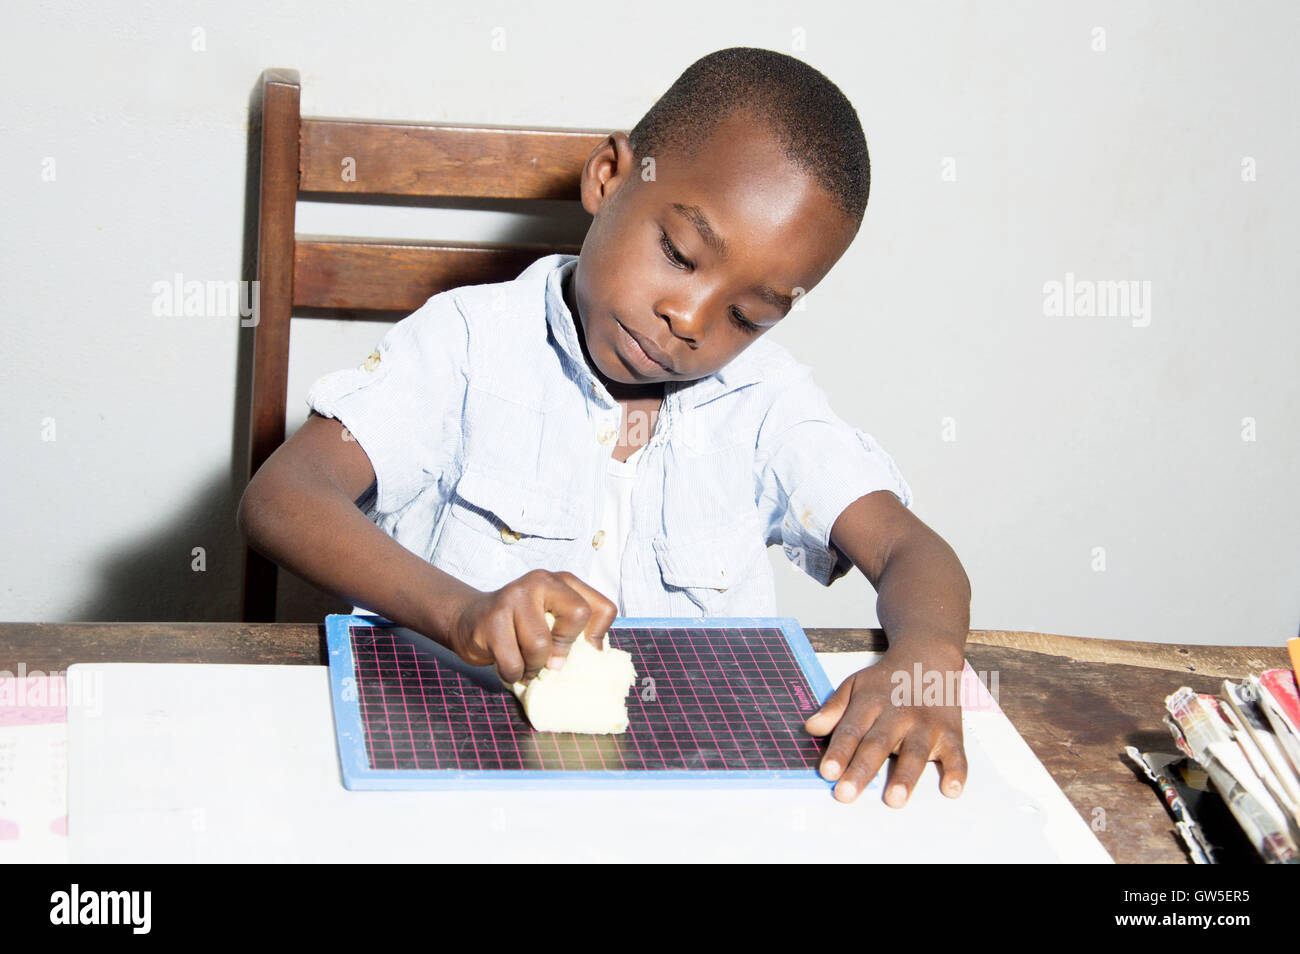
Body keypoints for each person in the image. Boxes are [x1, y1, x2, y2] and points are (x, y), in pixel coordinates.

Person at [238, 47, 971, 807]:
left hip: (692, 795)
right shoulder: (466, 346)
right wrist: (460, 613)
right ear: (609, 177)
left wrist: (925, 659)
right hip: (461, 778)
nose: (688, 319)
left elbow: (911, 549)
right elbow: (284, 496)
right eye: (679, 255)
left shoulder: (765, 404)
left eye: (747, 315)